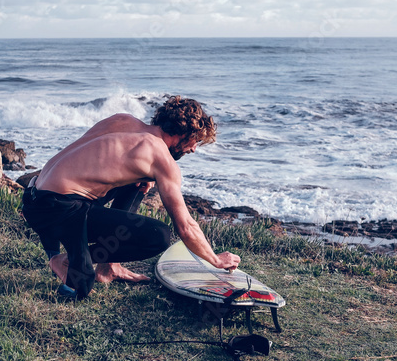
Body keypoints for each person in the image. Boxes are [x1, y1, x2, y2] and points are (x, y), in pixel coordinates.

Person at [22, 96, 240, 300]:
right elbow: (184, 226)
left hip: (34, 199)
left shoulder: (122, 121)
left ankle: (109, 267)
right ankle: (64, 260)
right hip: (60, 209)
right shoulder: (160, 156)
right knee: (158, 236)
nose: (193, 149)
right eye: (194, 141)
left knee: (138, 184)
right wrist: (215, 259)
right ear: (182, 133)